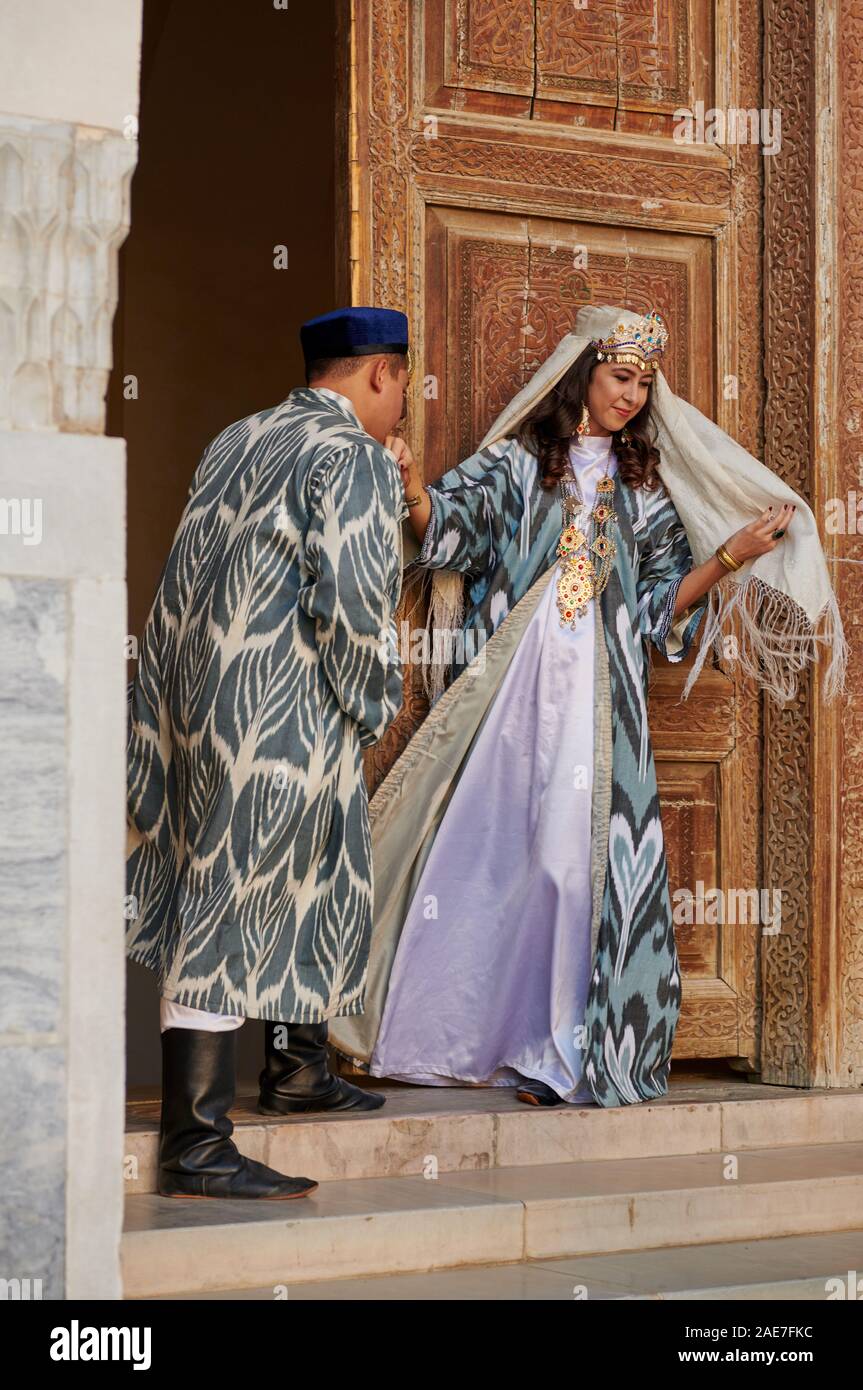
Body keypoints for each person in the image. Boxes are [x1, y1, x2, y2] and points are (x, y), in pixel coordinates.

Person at [329, 303, 847, 1109]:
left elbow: (652, 615)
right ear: (580, 375)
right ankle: (449, 1038)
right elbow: (446, 536)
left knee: (574, 871)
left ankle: (562, 1054)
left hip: (600, 710)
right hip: (509, 701)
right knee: (488, 860)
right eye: (618, 377)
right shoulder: (510, 467)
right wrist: (411, 488)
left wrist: (728, 556)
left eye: (643, 383)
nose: (631, 396)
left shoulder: (646, 495)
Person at [126, 306, 413, 1197]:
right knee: (231, 895)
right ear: (377, 374)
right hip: (281, 706)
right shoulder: (353, 457)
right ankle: (196, 1143)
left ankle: (297, 1073)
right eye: (401, 386)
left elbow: (183, 570)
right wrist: (373, 704)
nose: (401, 406)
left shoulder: (236, 438)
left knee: (301, 878)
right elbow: (355, 600)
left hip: (196, 695)